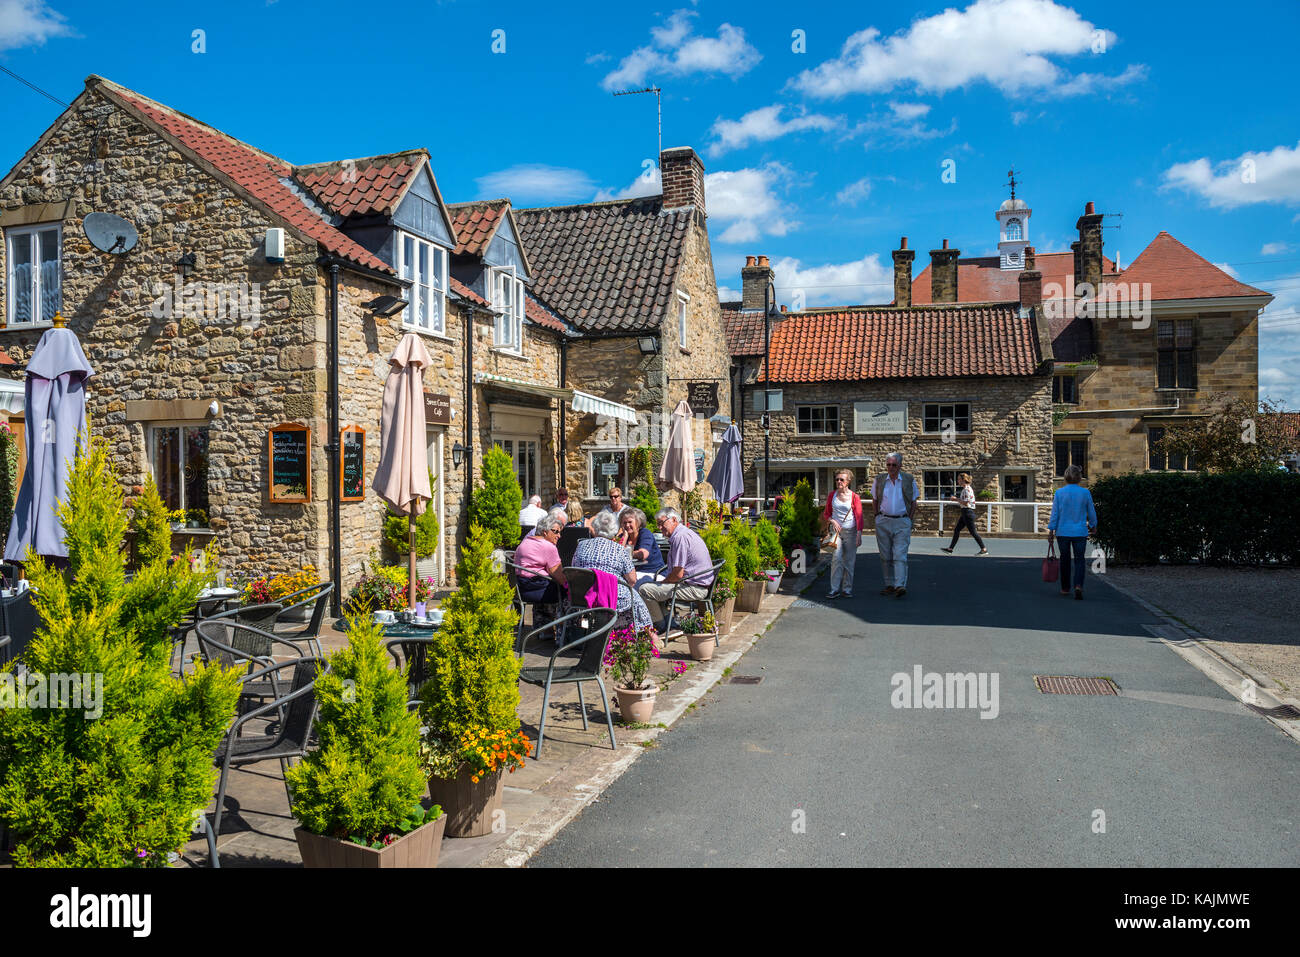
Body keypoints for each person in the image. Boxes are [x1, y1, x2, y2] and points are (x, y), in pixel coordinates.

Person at [571, 510, 653, 630]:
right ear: (614, 530)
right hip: (612, 597)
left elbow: (574, 569)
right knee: (635, 599)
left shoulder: (581, 545)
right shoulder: (620, 550)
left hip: (584, 595)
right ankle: (643, 633)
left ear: (595, 527)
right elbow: (632, 580)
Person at [640, 506, 715, 630]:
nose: (659, 528)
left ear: (674, 520)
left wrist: (662, 583)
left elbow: (677, 574)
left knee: (644, 589)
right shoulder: (683, 533)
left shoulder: (680, 537)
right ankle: (668, 621)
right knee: (654, 587)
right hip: (696, 584)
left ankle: (660, 625)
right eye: (657, 524)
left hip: (695, 588)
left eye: (661, 523)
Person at [872, 452, 919, 598]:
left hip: (902, 521)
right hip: (883, 520)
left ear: (900, 465)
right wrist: (877, 516)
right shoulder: (879, 480)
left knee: (900, 555)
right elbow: (874, 499)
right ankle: (889, 585)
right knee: (885, 555)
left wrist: (908, 519)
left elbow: (913, 501)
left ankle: (900, 585)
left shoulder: (908, 479)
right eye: (888, 464)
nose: (891, 467)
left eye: (894, 465)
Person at [1047, 464, 1097, 600]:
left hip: (1063, 531)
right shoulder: (1085, 493)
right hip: (1080, 531)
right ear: (1079, 477)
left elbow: (1055, 513)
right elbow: (1091, 512)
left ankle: (1065, 588)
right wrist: (1093, 525)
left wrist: (1051, 530)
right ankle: (1078, 585)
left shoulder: (1059, 493)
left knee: (1065, 559)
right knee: (1080, 560)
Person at [821, 468, 863, 599]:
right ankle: (834, 589)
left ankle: (847, 589)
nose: (839, 481)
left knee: (849, 561)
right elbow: (826, 513)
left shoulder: (854, 497)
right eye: (837, 479)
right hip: (836, 533)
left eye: (842, 479)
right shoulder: (832, 495)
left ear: (848, 481)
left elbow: (859, 517)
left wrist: (859, 534)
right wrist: (832, 520)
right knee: (836, 559)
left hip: (851, 532)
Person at [513, 514, 567, 604]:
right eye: (556, 532)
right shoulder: (548, 546)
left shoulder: (524, 542)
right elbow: (560, 577)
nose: (559, 536)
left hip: (521, 589)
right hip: (540, 591)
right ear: (545, 532)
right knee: (570, 592)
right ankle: (567, 618)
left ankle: (541, 617)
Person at [941, 473, 988, 556]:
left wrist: (955, 499)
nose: (958, 481)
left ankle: (984, 549)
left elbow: (966, 503)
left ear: (963, 480)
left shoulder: (966, 489)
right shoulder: (965, 489)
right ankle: (950, 549)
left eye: (959, 479)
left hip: (967, 513)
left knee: (973, 532)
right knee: (957, 530)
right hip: (965, 513)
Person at [619, 506, 664, 584]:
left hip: (652, 572)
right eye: (624, 523)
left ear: (638, 522)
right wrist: (625, 537)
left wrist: (627, 553)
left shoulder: (645, 533)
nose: (627, 525)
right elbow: (616, 553)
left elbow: (643, 554)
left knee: (629, 584)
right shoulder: (623, 536)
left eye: (630, 522)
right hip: (632, 573)